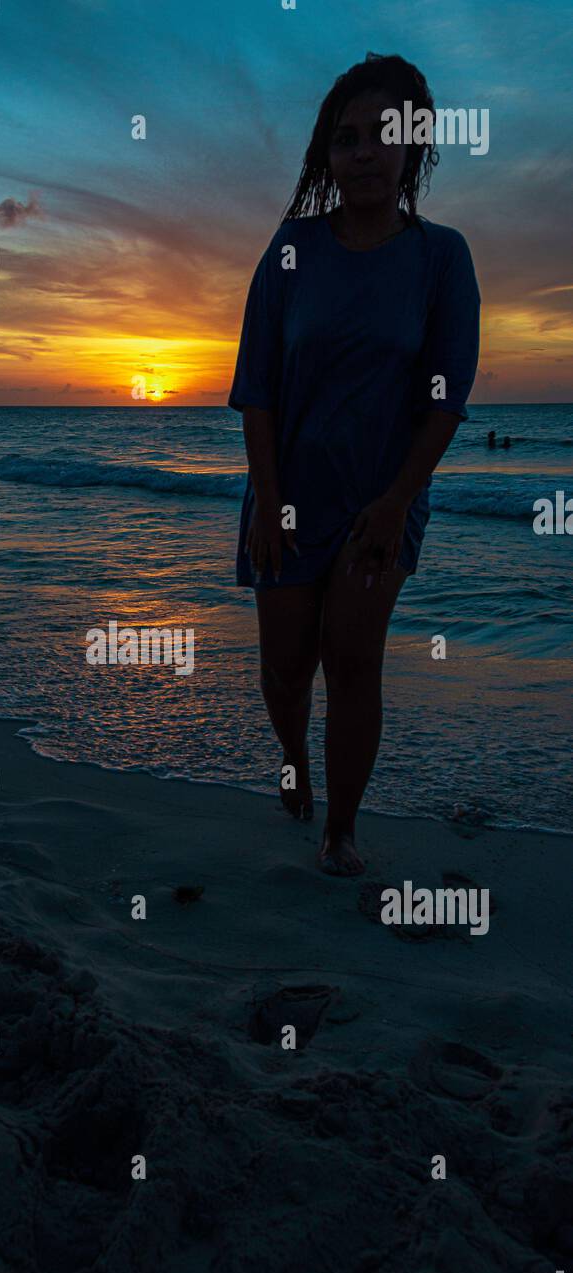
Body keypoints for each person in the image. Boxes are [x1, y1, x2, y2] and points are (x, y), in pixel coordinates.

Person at [229, 52, 480, 875]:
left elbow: (446, 395)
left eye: (383, 134)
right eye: (346, 138)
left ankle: (340, 829)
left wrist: (399, 499)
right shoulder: (293, 249)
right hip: (288, 493)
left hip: (383, 498)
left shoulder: (442, 258)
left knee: (354, 663)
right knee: (284, 668)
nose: (365, 151)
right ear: (326, 155)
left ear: (415, 148)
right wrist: (269, 502)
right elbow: (257, 386)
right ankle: (293, 759)